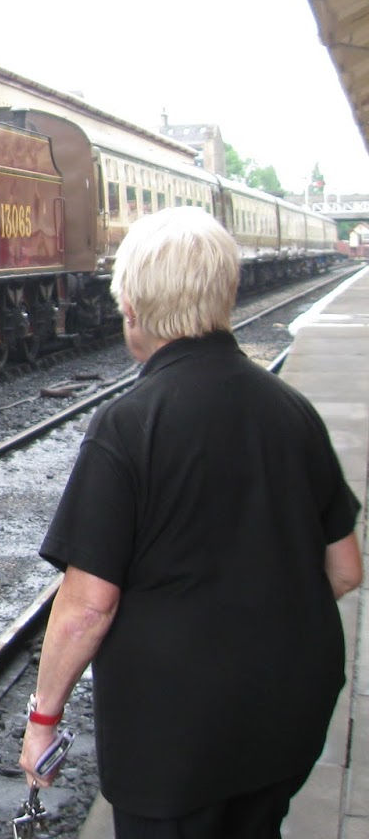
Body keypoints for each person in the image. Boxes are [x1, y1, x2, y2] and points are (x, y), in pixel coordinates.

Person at [19, 206, 362, 838]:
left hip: (172, 736)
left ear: (132, 310)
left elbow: (88, 606)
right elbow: (345, 569)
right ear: (225, 295)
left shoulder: (127, 426)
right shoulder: (293, 411)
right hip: (290, 714)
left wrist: (44, 720)